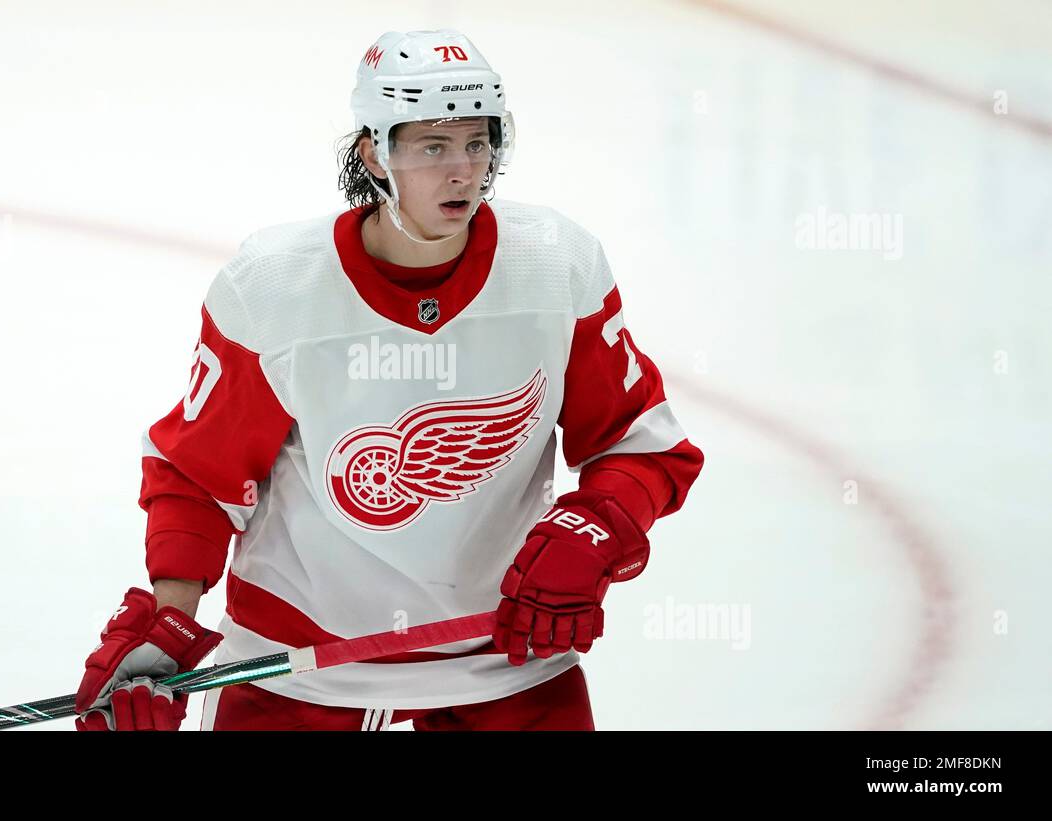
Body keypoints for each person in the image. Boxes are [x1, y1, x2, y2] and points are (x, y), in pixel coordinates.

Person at [74, 28, 704, 731]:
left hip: (507, 652)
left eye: (477, 143)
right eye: (432, 147)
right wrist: (168, 619)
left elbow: (640, 440)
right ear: (373, 151)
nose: (463, 170)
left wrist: (597, 522)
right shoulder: (277, 287)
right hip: (301, 665)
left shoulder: (556, 265)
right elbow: (199, 477)